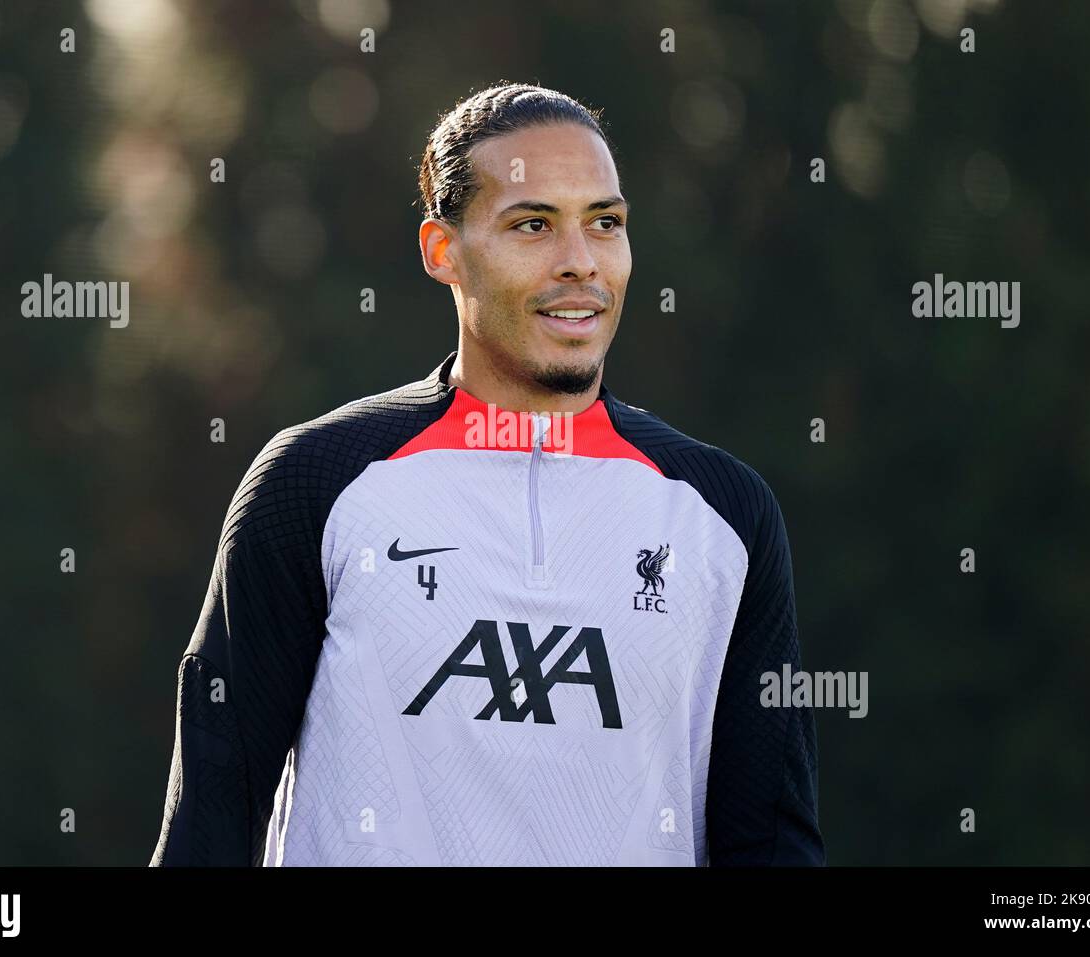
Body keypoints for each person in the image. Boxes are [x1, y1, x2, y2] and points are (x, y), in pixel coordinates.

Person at [151, 81, 824, 866]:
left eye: (604, 223)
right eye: (532, 224)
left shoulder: (725, 516)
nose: (581, 263)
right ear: (444, 252)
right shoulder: (315, 483)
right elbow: (210, 823)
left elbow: (771, 847)